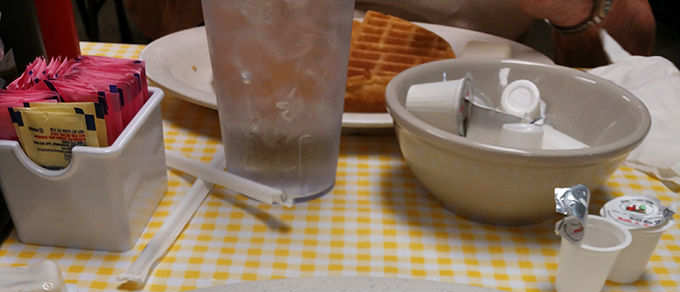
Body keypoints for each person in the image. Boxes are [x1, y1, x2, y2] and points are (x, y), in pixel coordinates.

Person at [123, 0, 655, 68]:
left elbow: (637, 54)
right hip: (280, 109)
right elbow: (159, 31)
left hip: (477, 133)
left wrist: (576, 10)